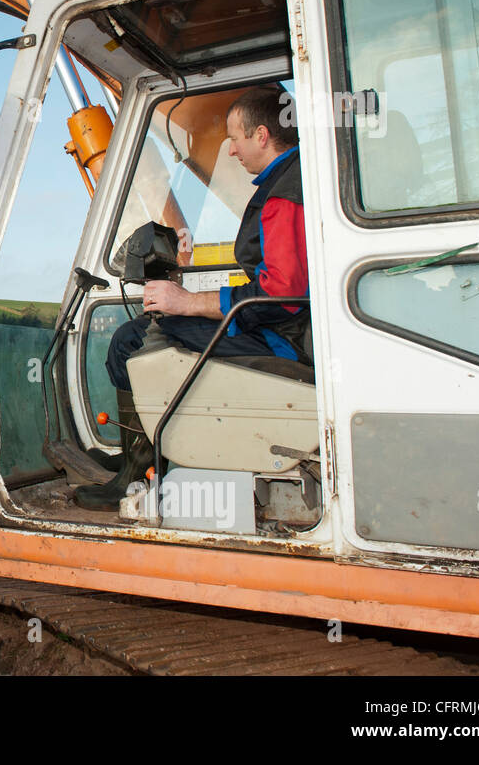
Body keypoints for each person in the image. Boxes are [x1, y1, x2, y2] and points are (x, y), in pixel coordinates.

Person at [76, 86, 310, 510]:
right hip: (276, 325)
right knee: (149, 331)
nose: (233, 151)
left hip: (283, 336)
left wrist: (186, 303)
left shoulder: (283, 195)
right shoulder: (290, 179)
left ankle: (138, 472)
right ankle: (138, 456)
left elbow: (283, 294)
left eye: (235, 139)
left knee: (132, 339)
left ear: (261, 135)